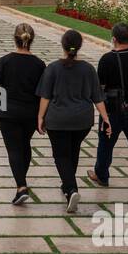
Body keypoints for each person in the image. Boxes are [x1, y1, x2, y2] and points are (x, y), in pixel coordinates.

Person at [36, 29, 109, 213]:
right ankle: (67, 183)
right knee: (73, 150)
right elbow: (97, 97)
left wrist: (40, 117)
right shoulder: (88, 68)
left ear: (63, 44)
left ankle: (71, 189)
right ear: (79, 46)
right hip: (82, 120)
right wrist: (106, 118)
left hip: (58, 118)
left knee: (60, 155)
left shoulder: (52, 68)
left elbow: (45, 96)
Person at [87, 24, 128, 205]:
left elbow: (100, 87)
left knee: (106, 143)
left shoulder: (107, 59)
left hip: (113, 110)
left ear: (114, 39)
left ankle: (102, 174)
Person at [0, 23, 47, 205]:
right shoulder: (39, 64)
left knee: (14, 148)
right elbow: (42, 93)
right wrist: (41, 116)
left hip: (8, 111)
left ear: (14, 38)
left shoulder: (5, 61)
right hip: (30, 112)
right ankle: (21, 180)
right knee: (24, 145)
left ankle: (21, 186)